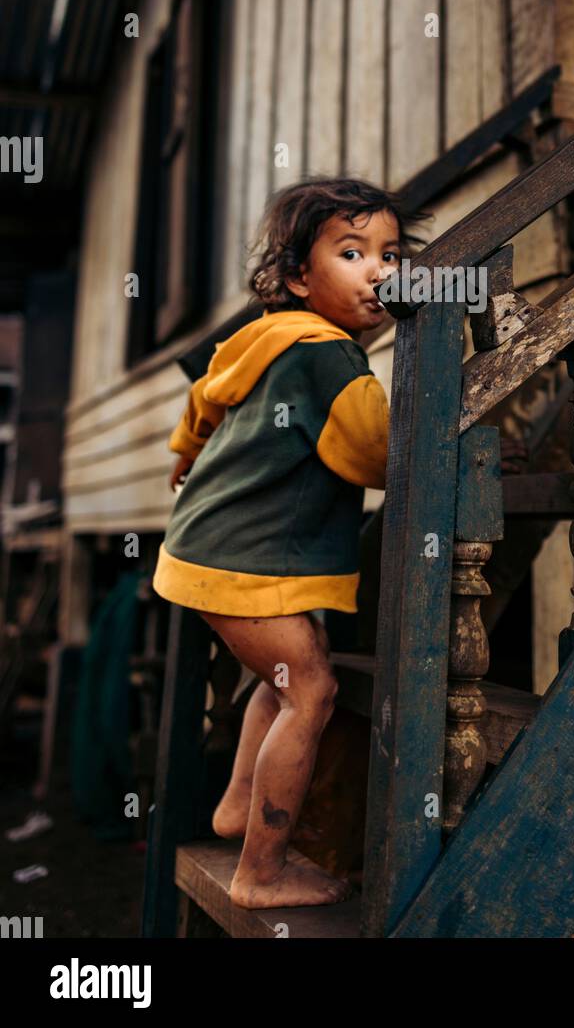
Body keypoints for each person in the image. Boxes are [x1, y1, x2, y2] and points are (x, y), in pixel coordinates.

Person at [153, 176, 428, 909]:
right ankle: (261, 872)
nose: (379, 271)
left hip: (211, 550)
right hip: (241, 561)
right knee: (311, 689)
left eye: (392, 255)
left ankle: (238, 809)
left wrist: (186, 453)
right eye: (351, 252)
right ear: (300, 277)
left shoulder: (260, 338)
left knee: (281, 679)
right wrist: (439, 430)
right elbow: (375, 455)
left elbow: (203, 396)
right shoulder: (332, 358)